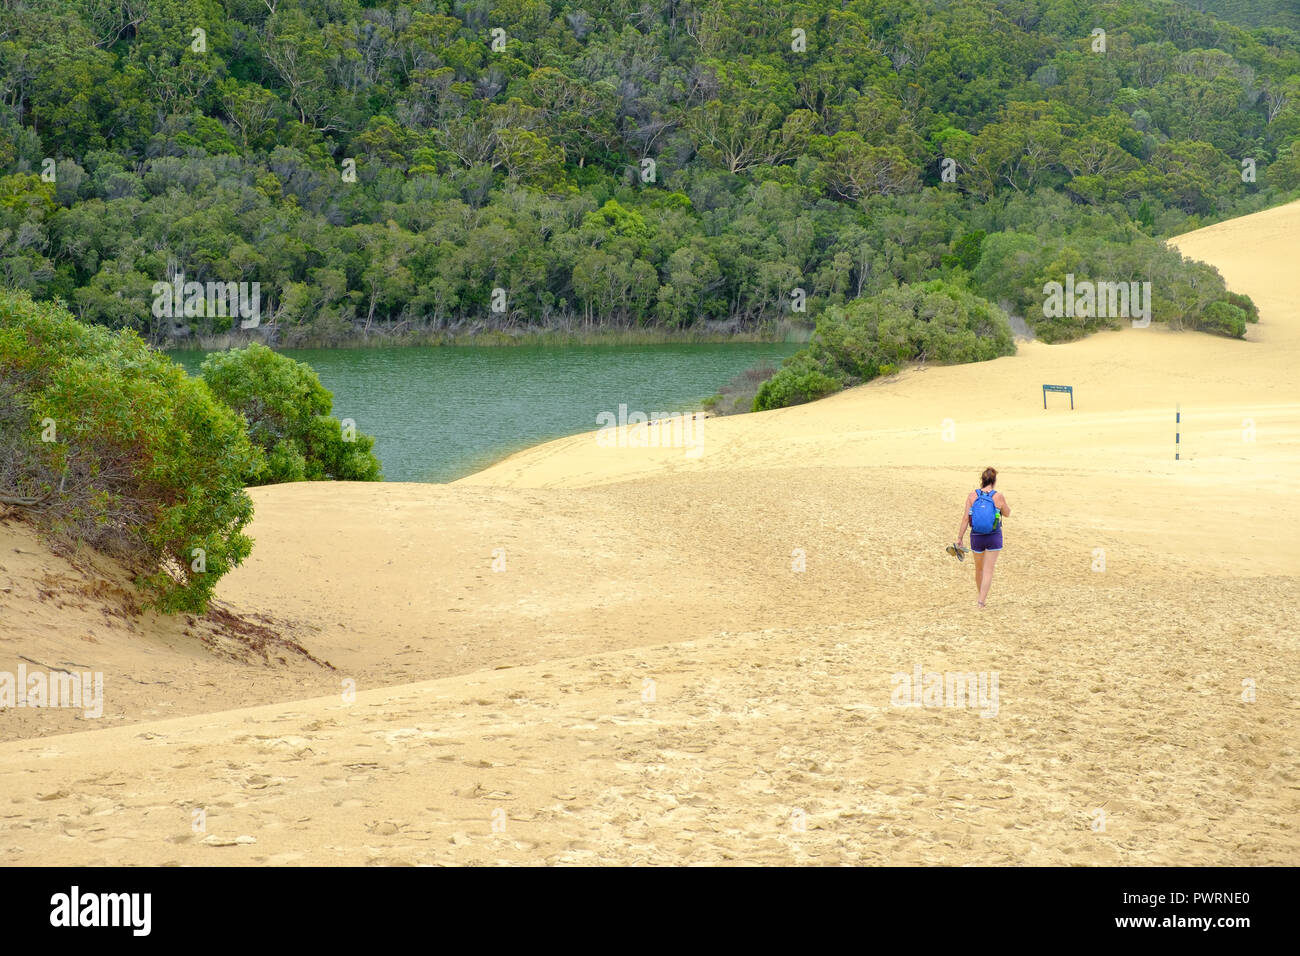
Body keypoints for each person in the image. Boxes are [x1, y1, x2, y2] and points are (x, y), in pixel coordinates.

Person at [954, 467, 1010, 608]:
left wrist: (959, 538)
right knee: (988, 570)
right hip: (994, 536)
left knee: (979, 569)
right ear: (994, 481)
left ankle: (981, 597)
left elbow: (965, 518)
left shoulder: (972, 496)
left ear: (982, 480)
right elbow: (1007, 513)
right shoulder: (998, 496)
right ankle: (981, 601)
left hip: (976, 537)